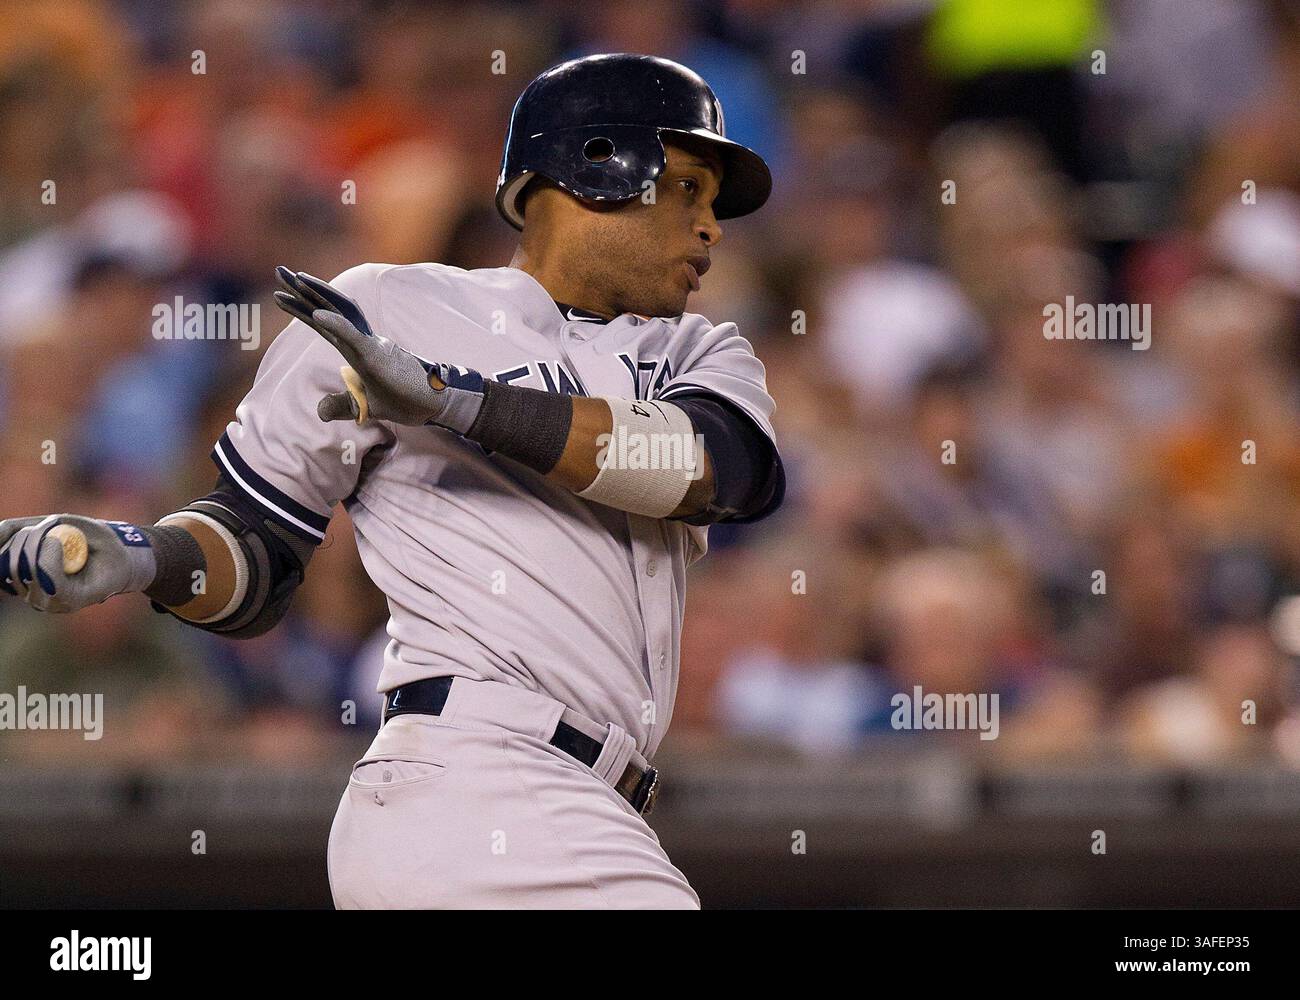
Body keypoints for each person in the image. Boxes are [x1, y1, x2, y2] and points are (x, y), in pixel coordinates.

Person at [0, 53, 783, 908]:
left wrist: (455, 403)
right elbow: (255, 556)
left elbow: (711, 470)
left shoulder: (699, 352)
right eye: (688, 189)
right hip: (480, 779)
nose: (710, 229)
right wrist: (142, 557)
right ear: (597, 165)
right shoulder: (386, 310)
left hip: (575, 804)